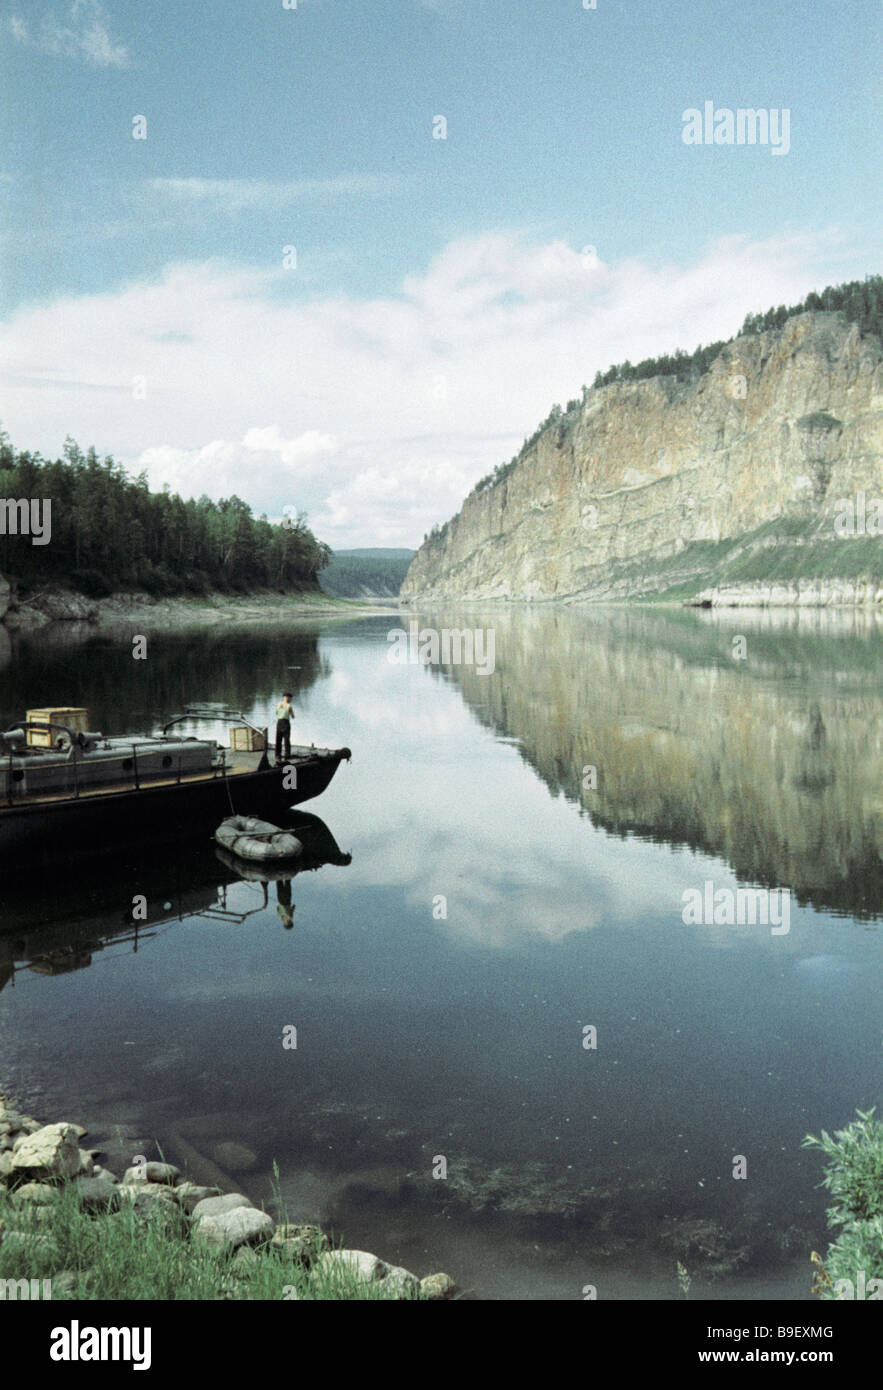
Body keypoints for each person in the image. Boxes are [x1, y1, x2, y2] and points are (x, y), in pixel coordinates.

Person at [275, 692, 294, 764]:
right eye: (290, 698)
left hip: (279, 722)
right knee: (286, 739)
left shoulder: (279, 704)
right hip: (285, 722)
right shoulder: (289, 706)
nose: (290, 699)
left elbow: (276, 712)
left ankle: (277, 754)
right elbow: (292, 716)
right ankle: (287, 754)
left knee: (278, 739)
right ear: (288, 698)